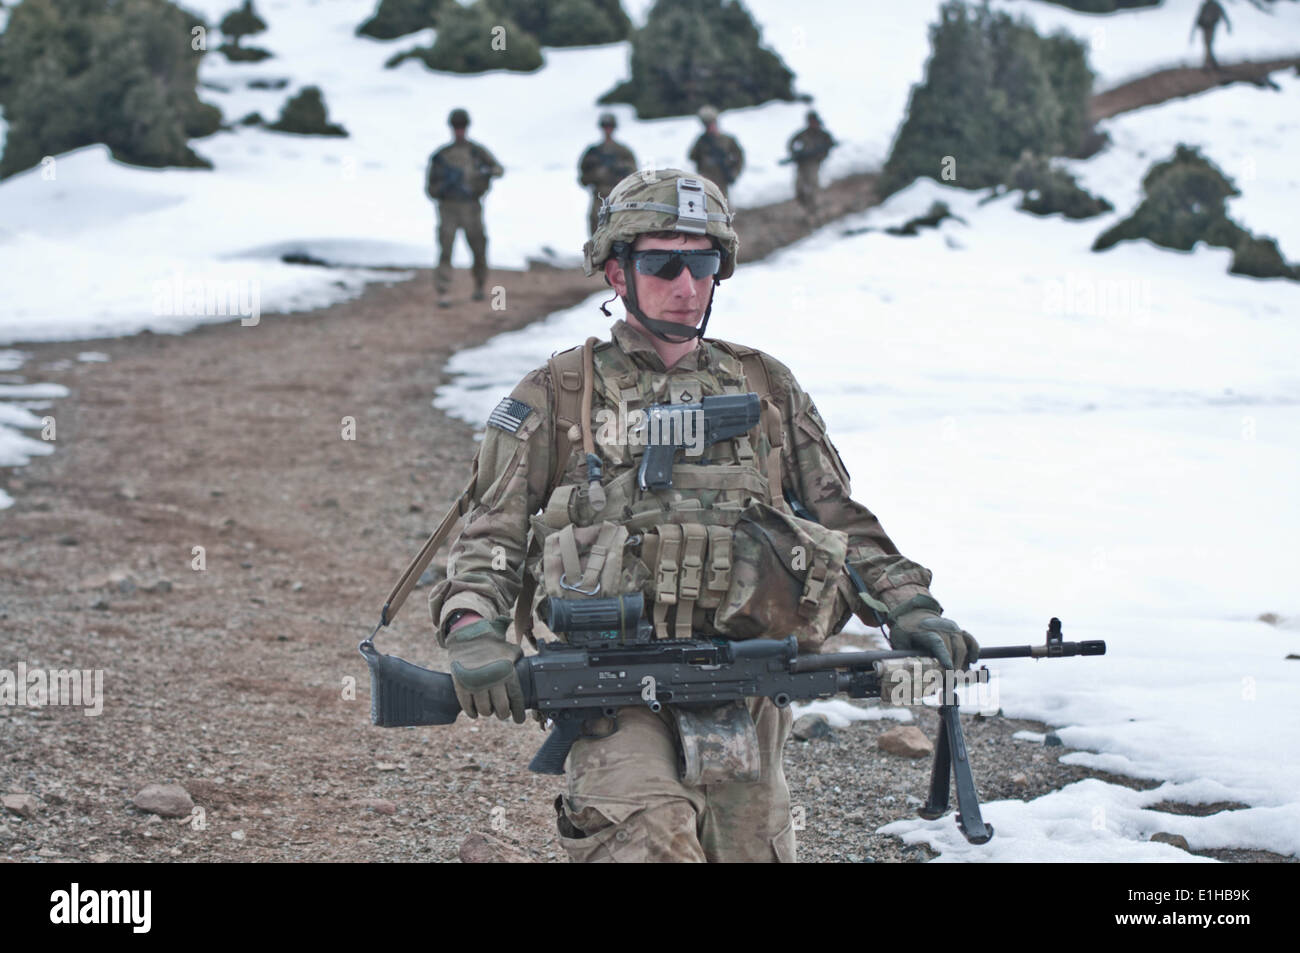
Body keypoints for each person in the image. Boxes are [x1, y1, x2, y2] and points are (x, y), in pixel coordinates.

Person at [426, 169, 978, 863]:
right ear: (617, 272)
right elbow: (490, 533)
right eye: (662, 263)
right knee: (648, 840)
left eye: (703, 263)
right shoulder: (557, 394)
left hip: (746, 686)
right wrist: (474, 627)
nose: (686, 285)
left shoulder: (764, 384)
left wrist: (911, 606)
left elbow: (840, 518)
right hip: (613, 690)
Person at [425, 108, 504, 307]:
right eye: (456, 127)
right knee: (446, 249)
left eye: (462, 127)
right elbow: (430, 187)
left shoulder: (477, 152)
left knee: (478, 247)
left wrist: (482, 174)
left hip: (471, 207)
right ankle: (443, 291)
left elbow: (498, 169)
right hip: (449, 208)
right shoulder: (442, 156)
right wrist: (444, 187)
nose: (459, 131)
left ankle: (479, 285)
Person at [579, 113, 639, 237]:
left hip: (620, 197)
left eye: (610, 126)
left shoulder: (623, 151)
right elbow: (583, 178)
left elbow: (634, 175)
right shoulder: (593, 152)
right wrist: (597, 175)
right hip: (599, 197)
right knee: (596, 230)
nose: (607, 130)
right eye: (605, 126)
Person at [785, 110, 836, 223]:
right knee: (799, 188)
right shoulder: (803, 134)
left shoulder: (822, 135)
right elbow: (791, 143)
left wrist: (820, 156)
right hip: (801, 164)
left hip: (813, 164)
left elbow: (829, 145)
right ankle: (807, 209)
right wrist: (796, 153)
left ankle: (816, 212)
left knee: (813, 188)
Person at [688, 106, 744, 202]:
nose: (710, 128)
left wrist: (734, 172)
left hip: (722, 179)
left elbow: (739, 157)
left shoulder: (727, 140)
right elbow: (692, 156)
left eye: (711, 124)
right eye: (707, 125)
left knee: (723, 205)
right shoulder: (702, 140)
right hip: (706, 179)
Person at [1191, 0, 1231, 72]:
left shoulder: (1215, 5)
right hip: (1205, 27)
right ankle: (1213, 63)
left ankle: (1208, 65)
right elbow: (1199, 17)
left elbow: (1223, 14)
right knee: (1207, 45)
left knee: (1208, 45)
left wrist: (1228, 25)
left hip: (1211, 27)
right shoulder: (1205, 5)